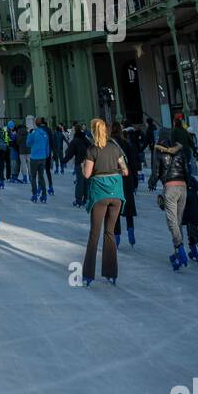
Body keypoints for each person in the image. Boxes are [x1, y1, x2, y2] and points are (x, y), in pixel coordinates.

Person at [81, 118, 127, 285]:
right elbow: (125, 170)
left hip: (100, 195)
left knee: (94, 234)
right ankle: (111, 273)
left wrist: (82, 166)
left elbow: (87, 174)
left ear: (93, 132)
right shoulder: (115, 148)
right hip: (116, 195)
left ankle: (88, 275)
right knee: (110, 233)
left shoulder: (92, 150)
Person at [148, 127, 190, 268]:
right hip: (182, 186)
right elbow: (187, 170)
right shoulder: (179, 150)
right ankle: (177, 251)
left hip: (170, 187)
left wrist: (151, 183)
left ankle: (179, 248)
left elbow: (156, 172)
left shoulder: (159, 151)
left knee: (172, 221)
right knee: (177, 222)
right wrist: (187, 184)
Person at [63, 123, 90, 206]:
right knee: (87, 182)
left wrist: (64, 160)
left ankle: (78, 200)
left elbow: (70, 153)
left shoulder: (75, 141)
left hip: (80, 163)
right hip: (89, 162)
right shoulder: (86, 139)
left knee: (80, 181)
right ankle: (87, 198)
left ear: (75, 131)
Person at [27, 118, 51, 204]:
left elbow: (28, 144)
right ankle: (44, 195)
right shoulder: (45, 134)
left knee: (33, 177)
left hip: (34, 158)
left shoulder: (34, 133)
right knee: (41, 176)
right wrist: (47, 155)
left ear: (35, 124)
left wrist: (29, 134)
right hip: (43, 157)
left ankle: (34, 194)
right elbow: (47, 146)